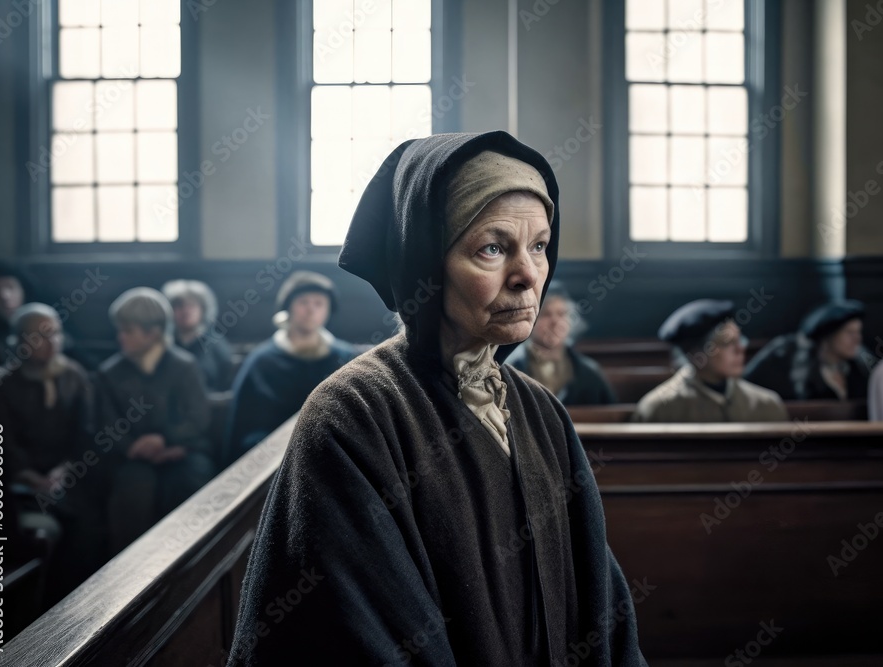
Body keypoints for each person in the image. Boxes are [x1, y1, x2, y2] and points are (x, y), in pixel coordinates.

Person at [227, 132, 644, 666]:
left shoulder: (542, 412)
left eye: (539, 246)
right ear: (425, 265)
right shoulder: (353, 415)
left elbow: (605, 613)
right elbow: (360, 636)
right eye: (492, 248)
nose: (527, 276)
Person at [0, 303, 105, 603]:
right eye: (40, 336)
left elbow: (86, 434)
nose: (51, 342)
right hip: (21, 483)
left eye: (55, 334)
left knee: (89, 530)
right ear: (20, 341)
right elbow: (3, 440)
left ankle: (83, 606)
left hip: (71, 476)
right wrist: (30, 476)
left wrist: (66, 469)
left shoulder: (74, 376)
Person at [95, 287, 215, 555]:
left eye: (128, 331)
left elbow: (198, 417)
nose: (121, 337)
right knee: (132, 495)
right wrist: (133, 448)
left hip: (184, 452)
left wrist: (165, 439)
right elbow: (106, 424)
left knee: (189, 486)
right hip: (132, 458)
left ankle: (191, 562)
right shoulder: (109, 373)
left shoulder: (184, 366)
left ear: (153, 332)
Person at [223, 271, 358, 464]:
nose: (311, 310)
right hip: (273, 458)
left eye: (319, 303)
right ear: (288, 307)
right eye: (303, 302)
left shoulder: (345, 358)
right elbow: (244, 426)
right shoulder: (262, 361)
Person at [632, 299, 788, 423]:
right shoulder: (658, 409)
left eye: (740, 340)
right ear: (696, 353)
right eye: (727, 343)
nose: (740, 349)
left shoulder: (766, 405)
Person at [507, 282, 617, 405]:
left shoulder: (589, 373)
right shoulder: (511, 369)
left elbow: (610, 412)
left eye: (562, 314)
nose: (555, 321)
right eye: (546, 314)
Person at [744, 300, 875, 401]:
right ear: (828, 335)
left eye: (858, 332)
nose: (857, 339)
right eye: (849, 332)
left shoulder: (860, 368)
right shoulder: (789, 357)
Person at [162, 279, 234, 392]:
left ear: (203, 309)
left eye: (191, 305)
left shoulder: (216, 344)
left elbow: (227, 384)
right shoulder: (164, 344)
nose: (186, 311)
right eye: (179, 305)